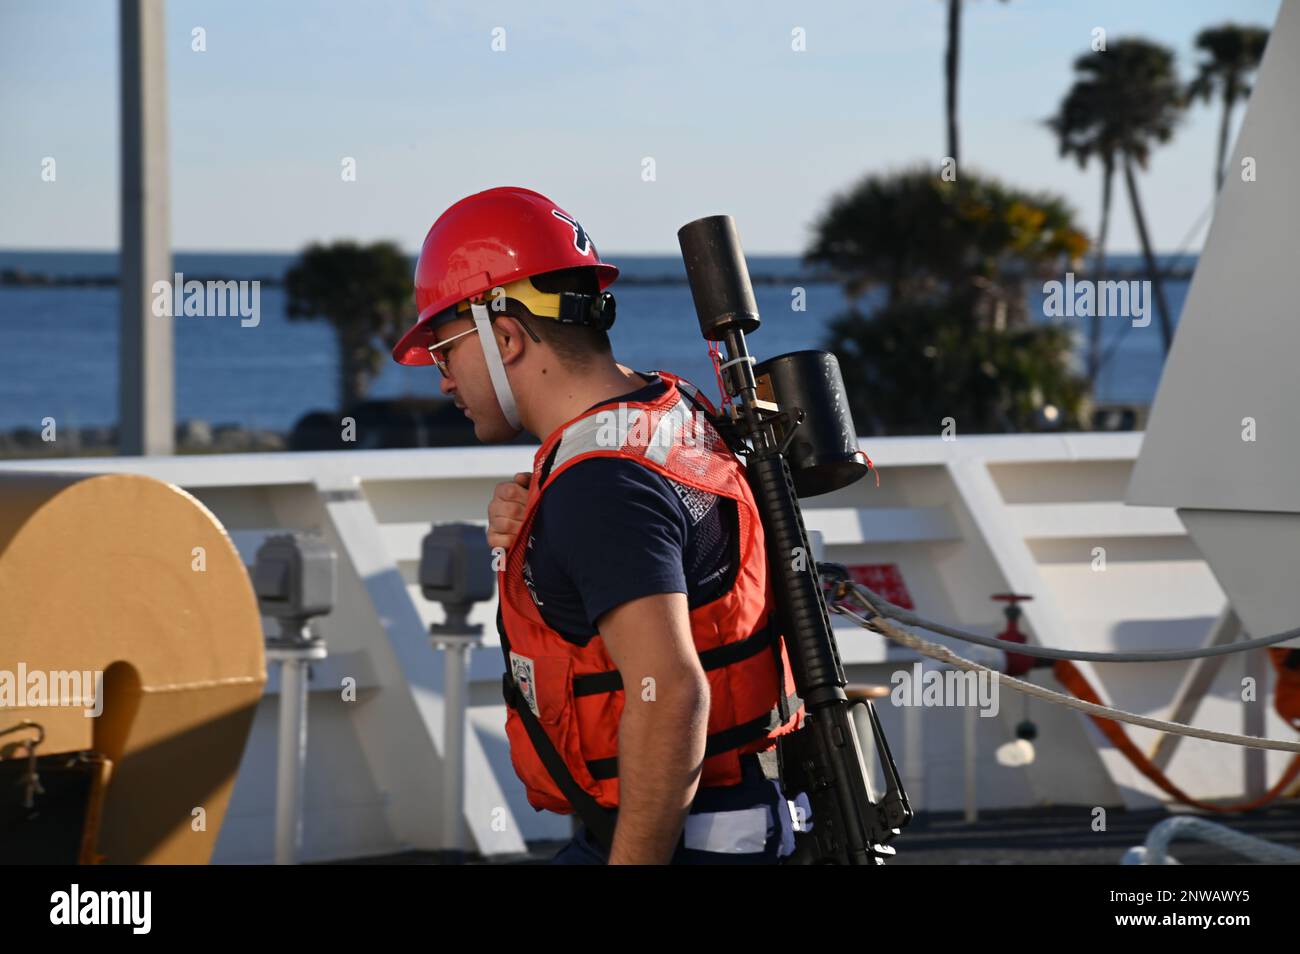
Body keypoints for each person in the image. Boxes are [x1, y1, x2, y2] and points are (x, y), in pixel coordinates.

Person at [392, 187, 804, 864]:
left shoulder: (599, 484)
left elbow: (669, 692)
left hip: (683, 840)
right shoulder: (669, 411)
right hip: (740, 818)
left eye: (445, 353)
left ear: (505, 338)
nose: (442, 381)